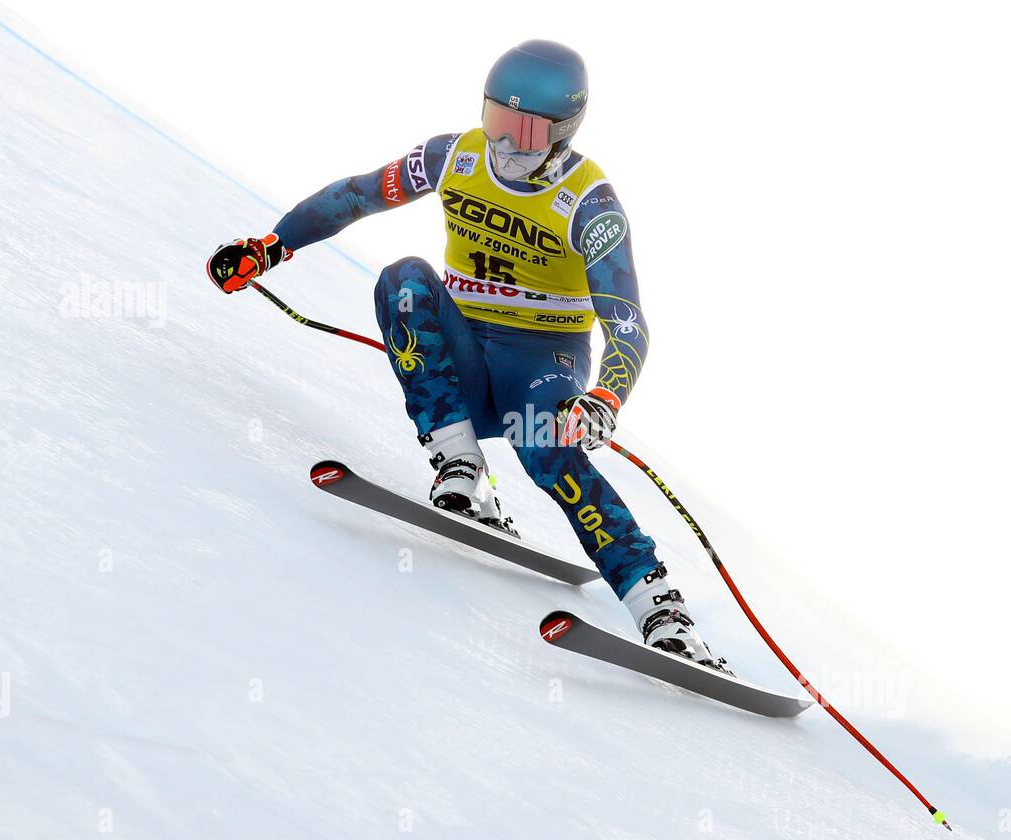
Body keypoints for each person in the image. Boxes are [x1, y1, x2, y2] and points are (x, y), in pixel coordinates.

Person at [207, 40, 725, 670]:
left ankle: (659, 608)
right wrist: (271, 246)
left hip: (542, 368)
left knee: (547, 451)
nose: (508, 146)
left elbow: (627, 322)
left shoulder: (590, 203)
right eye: (498, 123)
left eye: (528, 132)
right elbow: (356, 195)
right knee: (403, 279)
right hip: (466, 363)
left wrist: (604, 400)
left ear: (564, 133)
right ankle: (461, 468)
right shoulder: (453, 156)